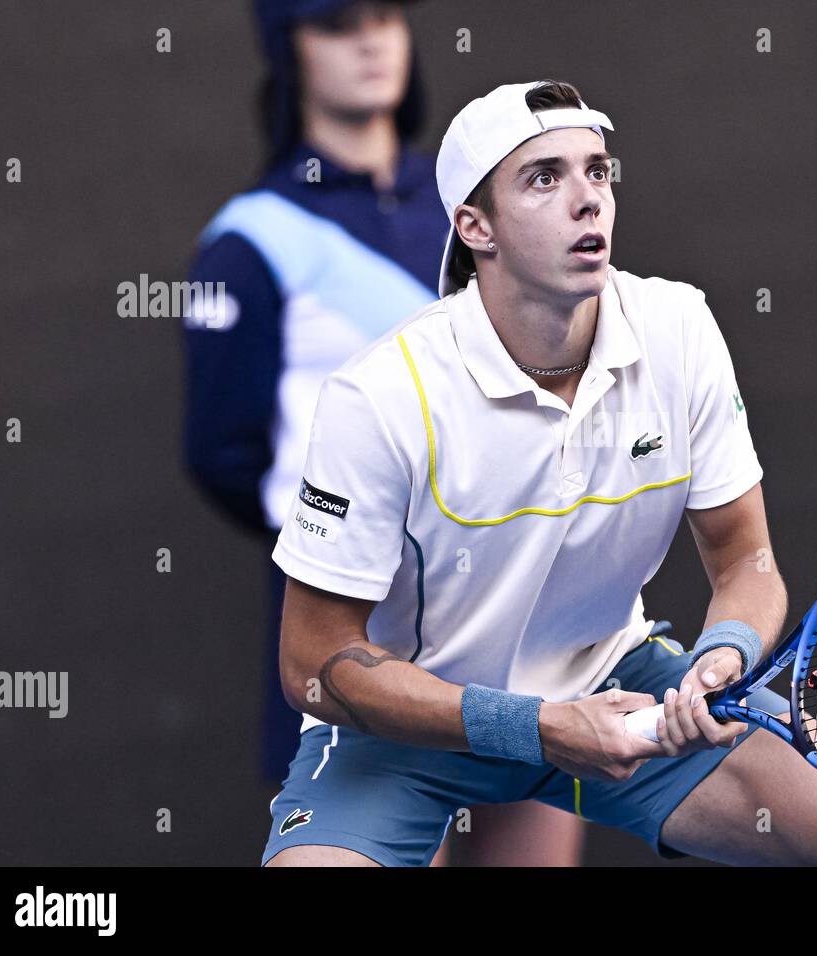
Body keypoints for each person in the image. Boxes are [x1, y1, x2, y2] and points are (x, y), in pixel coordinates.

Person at [261, 79, 817, 866]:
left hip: (611, 680)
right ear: (474, 226)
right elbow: (311, 664)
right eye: (544, 177)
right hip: (410, 726)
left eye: (598, 171)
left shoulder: (678, 329)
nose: (588, 199)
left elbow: (744, 558)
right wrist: (530, 726)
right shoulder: (377, 397)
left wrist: (722, 657)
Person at [182, 1, 584, 864]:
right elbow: (224, 454)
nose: (369, 40)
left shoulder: (482, 210)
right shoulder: (248, 245)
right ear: (289, 48)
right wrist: (365, 543)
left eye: (385, 15)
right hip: (364, 647)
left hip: (526, 634)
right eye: (335, 22)